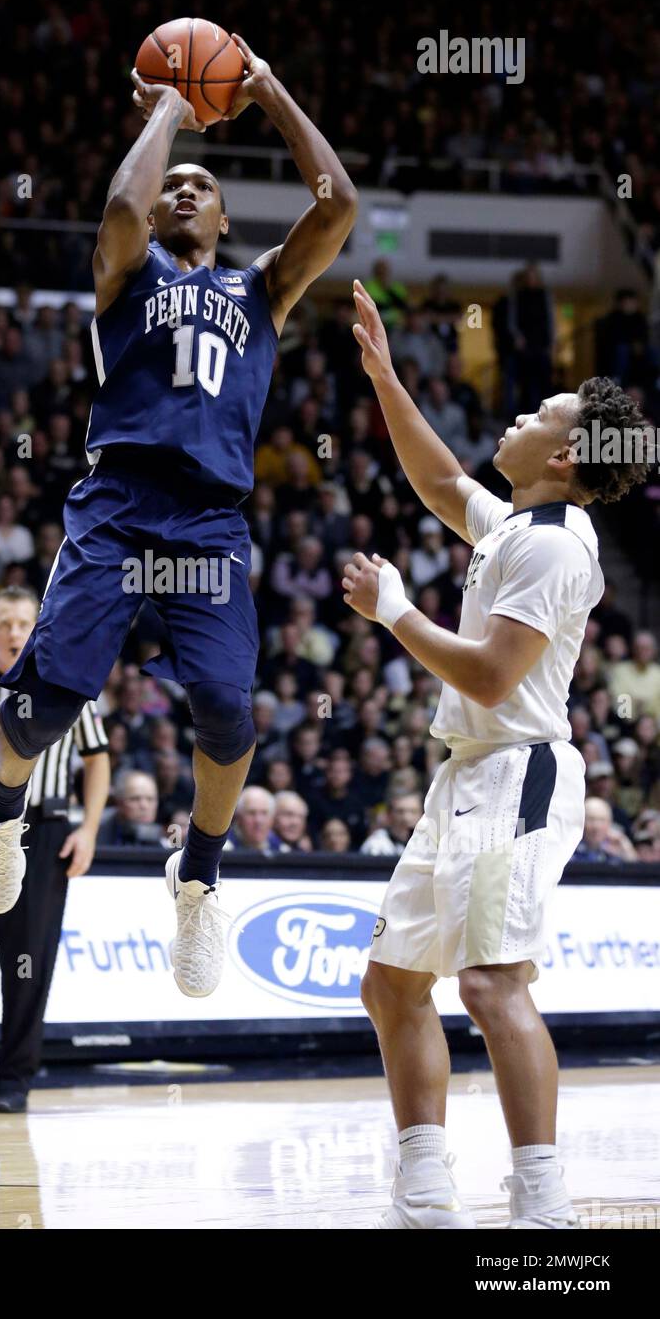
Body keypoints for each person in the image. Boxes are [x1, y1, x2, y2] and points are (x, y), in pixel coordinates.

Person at [0, 36, 357, 1000]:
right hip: (120, 505)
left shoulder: (260, 288)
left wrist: (265, 90)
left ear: (227, 215)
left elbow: (339, 204)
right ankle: (1, 806)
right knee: (50, 699)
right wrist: (171, 110)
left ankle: (200, 875)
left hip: (209, 523)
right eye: (174, 183)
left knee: (227, 710)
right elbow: (119, 209)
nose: (183, 190)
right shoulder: (127, 275)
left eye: (201, 185)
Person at [344, 278, 651, 1230]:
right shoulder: (517, 525)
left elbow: (486, 676)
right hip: (464, 777)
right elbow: (439, 484)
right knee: (391, 982)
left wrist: (393, 609)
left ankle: (542, 1204)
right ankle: (426, 1183)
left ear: (561, 453)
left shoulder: (558, 548)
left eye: (535, 412)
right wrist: (388, 380)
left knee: (486, 984)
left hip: (518, 773)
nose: (512, 416)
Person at [0, 587, 109, 1113]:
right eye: (3, 624)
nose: (13, 633)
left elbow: (97, 760)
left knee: (26, 966)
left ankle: (14, 1080)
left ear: (38, 630)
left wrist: (90, 829)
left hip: (45, 831)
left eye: (23, 624)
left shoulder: (67, 686)